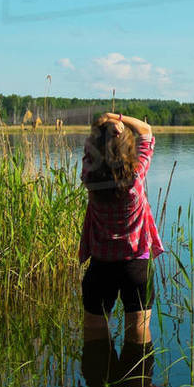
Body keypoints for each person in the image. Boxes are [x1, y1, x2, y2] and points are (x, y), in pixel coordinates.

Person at [79, 112, 164, 343]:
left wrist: (103, 124)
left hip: (100, 265)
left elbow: (91, 145)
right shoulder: (136, 178)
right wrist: (120, 117)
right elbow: (146, 132)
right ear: (129, 149)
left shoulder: (90, 177)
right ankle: (136, 378)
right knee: (138, 334)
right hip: (136, 265)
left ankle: (98, 375)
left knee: (94, 337)